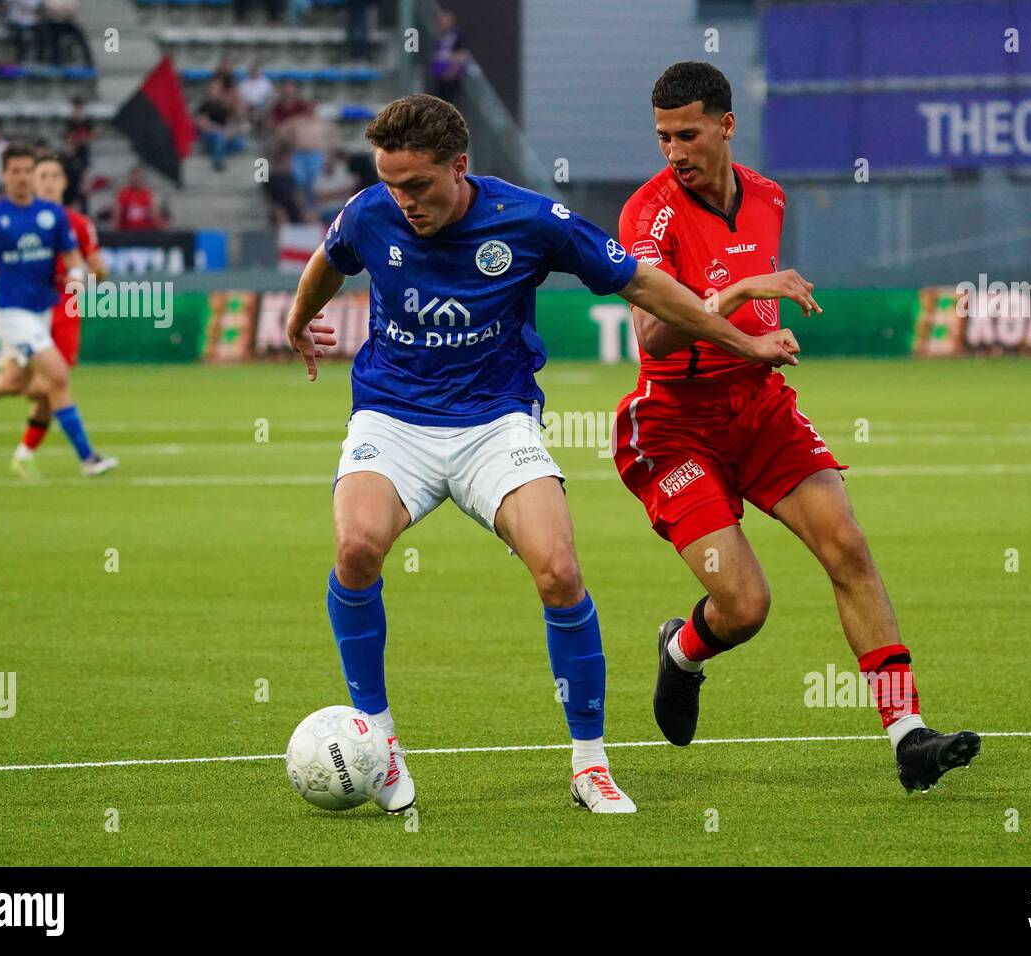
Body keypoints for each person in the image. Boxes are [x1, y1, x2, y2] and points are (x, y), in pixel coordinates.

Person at [284, 93, 797, 814]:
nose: (402, 201)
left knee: (558, 569)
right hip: (393, 418)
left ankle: (590, 764)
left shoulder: (529, 221)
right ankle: (381, 738)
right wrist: (299, 319)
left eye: (418, 185)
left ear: (459, 167)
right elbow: (329, 258)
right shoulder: (372, 211)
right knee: (356, 547)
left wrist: (740, 339)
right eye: (391, 183)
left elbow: (642, 282)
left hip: (496, 422)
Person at [612, 62, 980, 792]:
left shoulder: (769, 198)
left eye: (687, 133)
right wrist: (745, 288)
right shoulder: (645, 215)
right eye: (662, 137)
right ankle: (682, 652)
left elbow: (754, 303)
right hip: (675, 426)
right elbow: (652, 336)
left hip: (758, 404)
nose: (675, 151)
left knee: (847, 543)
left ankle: (908, 735)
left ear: (726, 125)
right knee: (745, 607)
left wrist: (764, 335)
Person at [0, 143, 116, 476]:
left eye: (28, 171)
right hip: (13, 314)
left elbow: (76, 258)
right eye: (18, 172)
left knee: (14, 383)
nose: (24, 178)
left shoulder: (54, 217)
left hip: (46, 310)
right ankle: (87, 459)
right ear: (5, 176)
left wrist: (77, 278)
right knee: (57, 378)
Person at [195, 78, 245, 172]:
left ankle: (217, 150)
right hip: (208, 135)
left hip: (222, 134)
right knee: (219, 136)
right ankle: (218, 161)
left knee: (239, 143)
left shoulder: (224, 105)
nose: (215, 91)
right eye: (213, 89)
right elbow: (202, 124)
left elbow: (232, 122)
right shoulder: (205, 105)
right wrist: (218, 129)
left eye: (217, 89)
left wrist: (228, 132)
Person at [114, 165, 162, 231]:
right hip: (128, 230)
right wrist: (116, 228)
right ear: (130, 178)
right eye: (134, 177)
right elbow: (117, 213)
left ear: (142, 179)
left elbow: (154, 213)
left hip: (145, 230)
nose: (136, 180)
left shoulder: (147, 193)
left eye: (138, 177)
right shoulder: (123, 193)